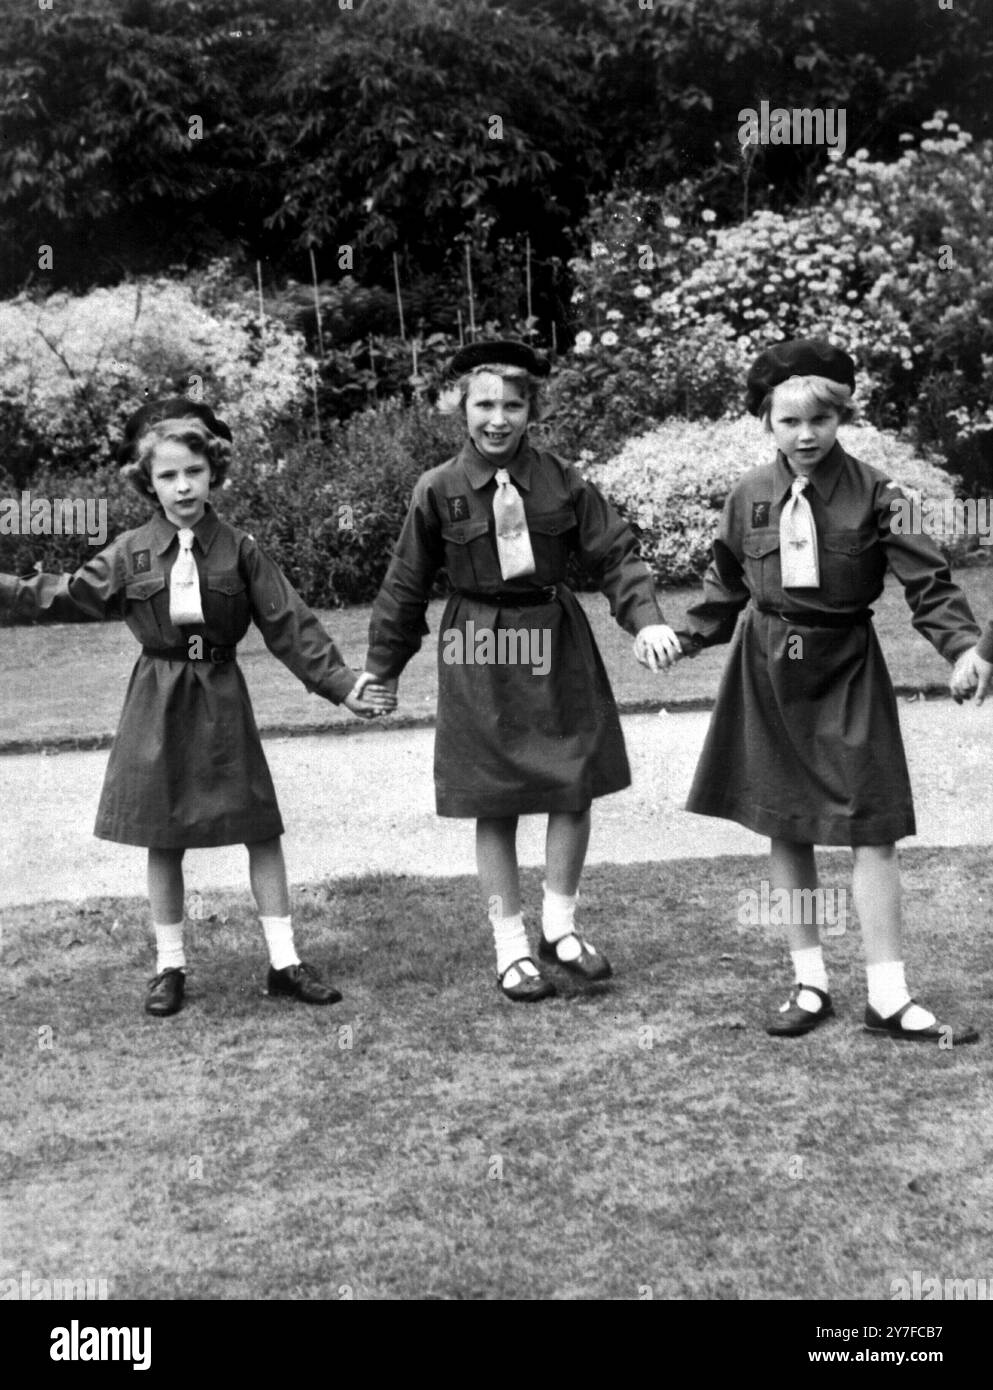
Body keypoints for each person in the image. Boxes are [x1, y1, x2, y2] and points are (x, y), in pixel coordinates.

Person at [0, 397, 395, 1017]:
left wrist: (342, 685)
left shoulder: (239, 549)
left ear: (214, 473)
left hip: (222, 696)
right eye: (167, 475)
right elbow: (63, 596)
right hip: (157, 698)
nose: (183, 486)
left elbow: (288, 623)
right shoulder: (130, 552)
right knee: (165, 834)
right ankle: (170, 966)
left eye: (194, 472)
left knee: (260, 828)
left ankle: (285, 962)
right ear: (146, 483)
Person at [668, 339, 980, 1044]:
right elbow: (721, 592)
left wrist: (962, 649)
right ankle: (808, 983)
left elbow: (929, 587)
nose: (804, 436)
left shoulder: (881, 494)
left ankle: (887, 996)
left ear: (841, 418)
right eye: (787, 422)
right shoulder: (748, 497)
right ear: (765, 423)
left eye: (819, 420)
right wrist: (681, 638)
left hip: (844, 667)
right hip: (767, 665)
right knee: (785, 824)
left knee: (872, 827)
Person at [363, 340, 681, 1001]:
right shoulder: (438, 490)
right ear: (461, 407)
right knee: (495, 796)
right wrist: (383, 668)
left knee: (572, 785)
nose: (498, 419)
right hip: (478, 643)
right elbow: (404, 584)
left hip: (553, 637)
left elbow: (616, 554)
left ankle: (559, 929)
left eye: (512, 405)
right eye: (485, 404)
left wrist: (646, 618)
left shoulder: (564, 481)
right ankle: (510, 947)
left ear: (530, 410)